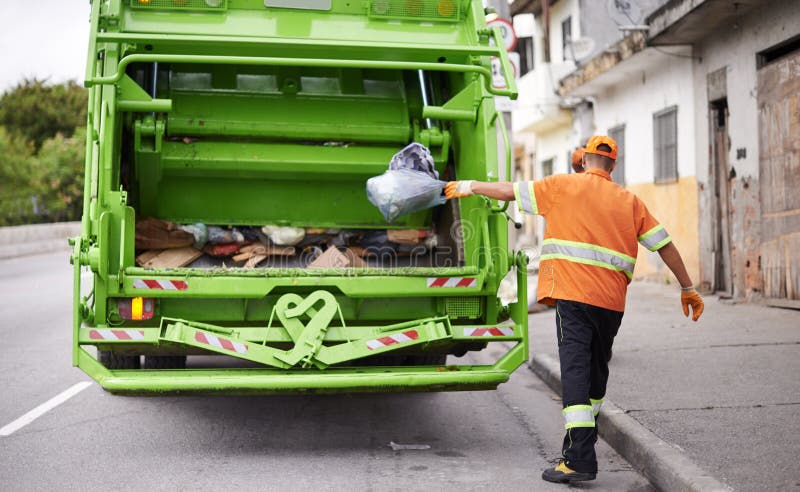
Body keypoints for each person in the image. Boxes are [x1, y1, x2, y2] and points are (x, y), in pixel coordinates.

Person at [445, 135, 704, 484]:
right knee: (596, 372)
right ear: (612, 165)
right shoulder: (629, 201)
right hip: (611, 303)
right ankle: (578, 446)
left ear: (583, 161)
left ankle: (579, 459)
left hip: (573, 297)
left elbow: (510, 191)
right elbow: (665, 244)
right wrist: (687, 287)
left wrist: (469, 185)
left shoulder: (561, 186)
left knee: (576, 373)